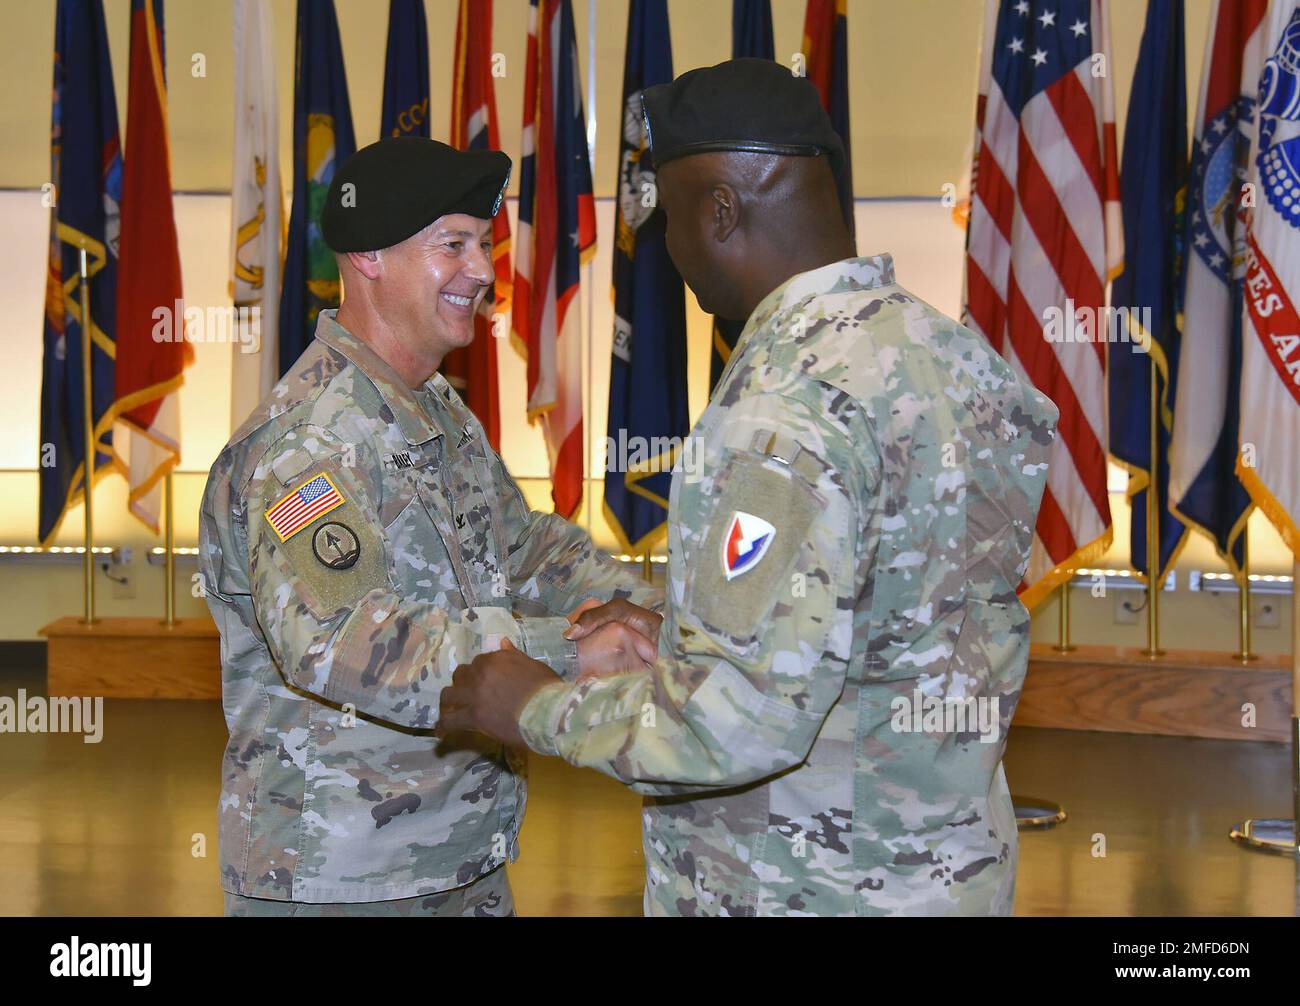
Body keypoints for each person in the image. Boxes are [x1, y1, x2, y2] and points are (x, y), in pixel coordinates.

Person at [437, 59, 1061, 917]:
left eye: (667, 215)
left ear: (721, 209)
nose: (665, 245)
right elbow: (894, 619)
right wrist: (692, 633)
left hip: (806, 886)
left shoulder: (781, 410)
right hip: (945, 877)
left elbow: (732, 725)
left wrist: (534, 706)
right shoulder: (951, 359)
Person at [198, 137, 656, 917]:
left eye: (483, 243)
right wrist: (571, 650)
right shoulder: (307, 440)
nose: (481, 270)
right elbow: (343, 641)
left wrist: (652, 607)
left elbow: (530, 552)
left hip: (460, 861)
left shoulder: (437, 408)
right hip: (340, 880)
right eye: (453, 245)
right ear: (369, 256)